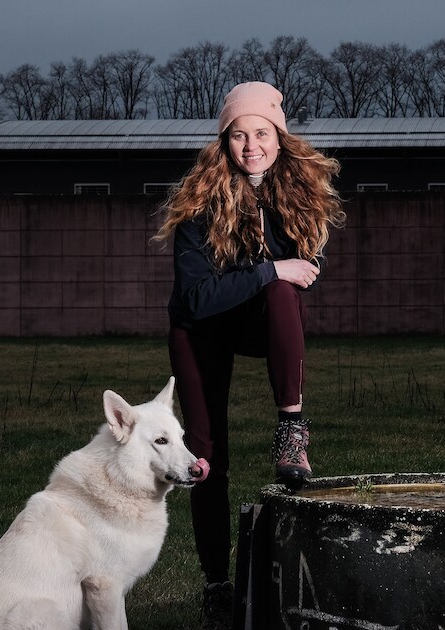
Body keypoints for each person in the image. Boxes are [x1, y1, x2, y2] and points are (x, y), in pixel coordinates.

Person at [153, 81, 345, 630]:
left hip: (255, 320)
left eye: (261, 132)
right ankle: (217, 585)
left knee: (283, 291)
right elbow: (195, 298)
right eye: (238, 135)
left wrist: (272, 274)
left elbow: (298, 279)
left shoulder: (302, 200)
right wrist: (268, 269)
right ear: (224, 142)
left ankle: (292, 427)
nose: (251, 144)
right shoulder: (198, 206)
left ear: (280, 137)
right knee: (207, 459)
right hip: (199, 331)